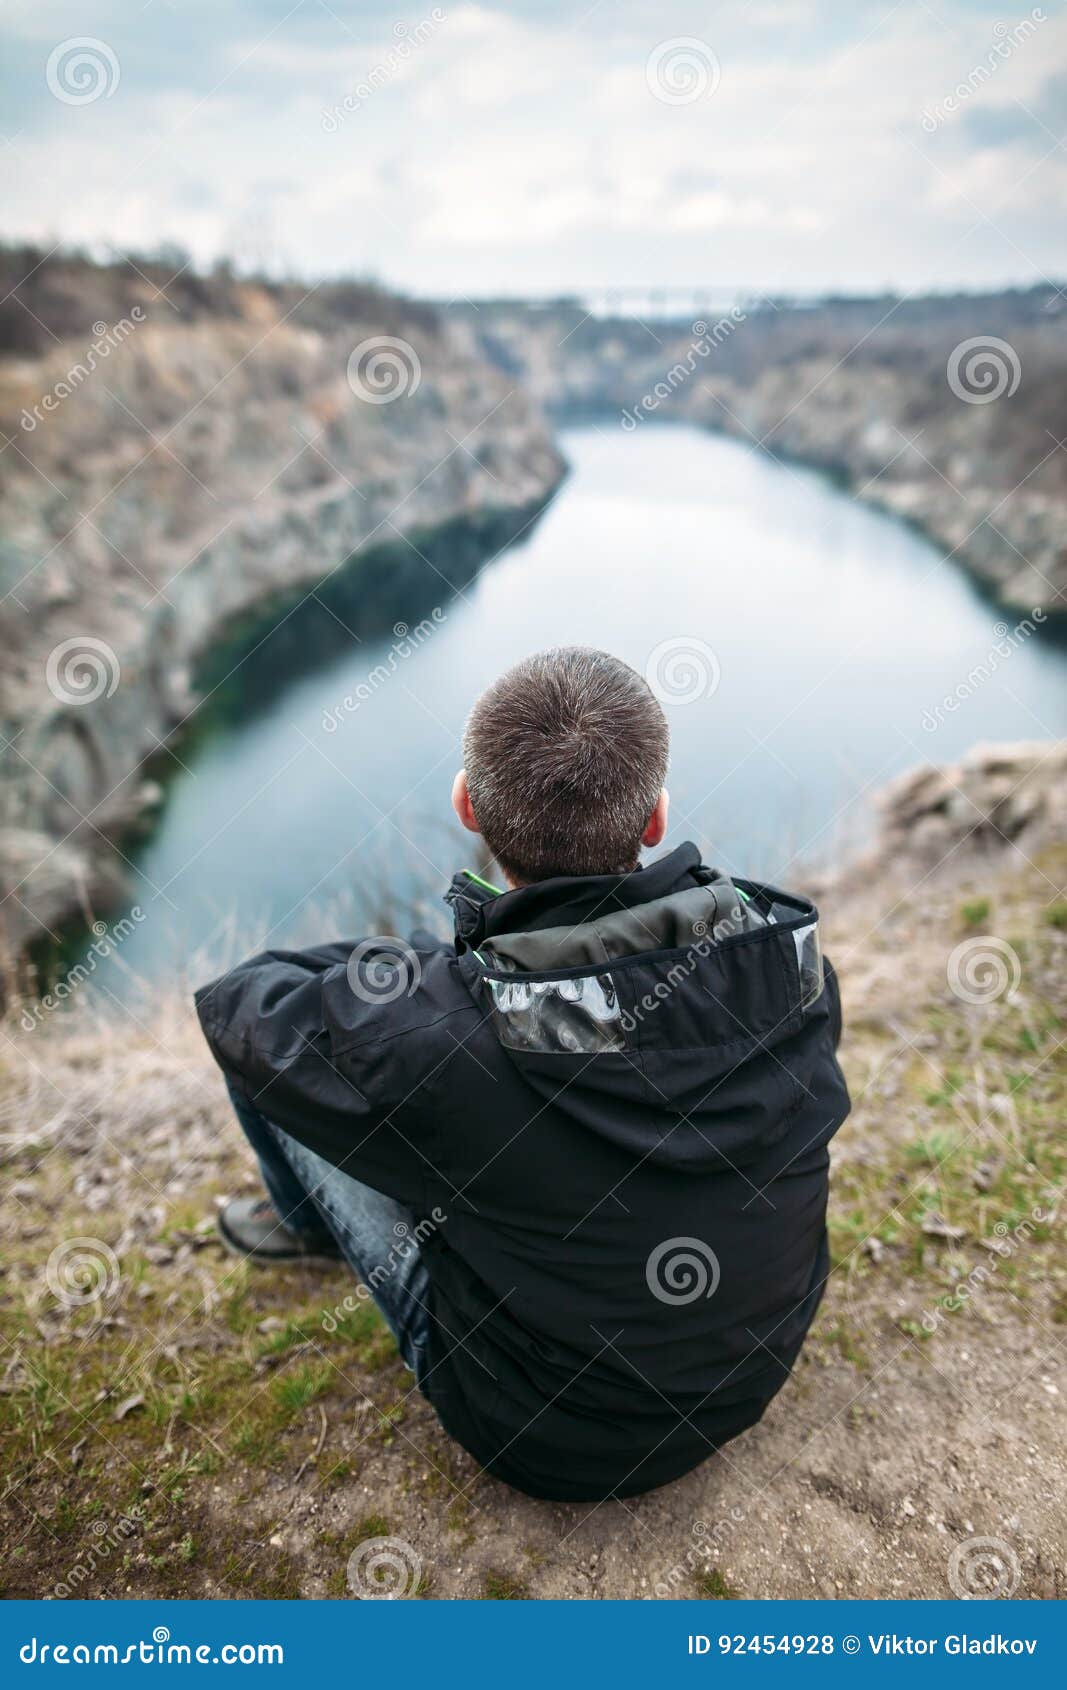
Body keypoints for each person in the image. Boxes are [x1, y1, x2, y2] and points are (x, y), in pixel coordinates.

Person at [196, 646, 851, 1501]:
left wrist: (431, 966)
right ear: (654, 819)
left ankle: (309, 1226)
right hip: (750, 1373)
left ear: (468, 806)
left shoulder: (432, 1037)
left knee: (290, 1072)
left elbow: (239, 1008)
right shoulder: (785, 964)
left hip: (542, 1437)